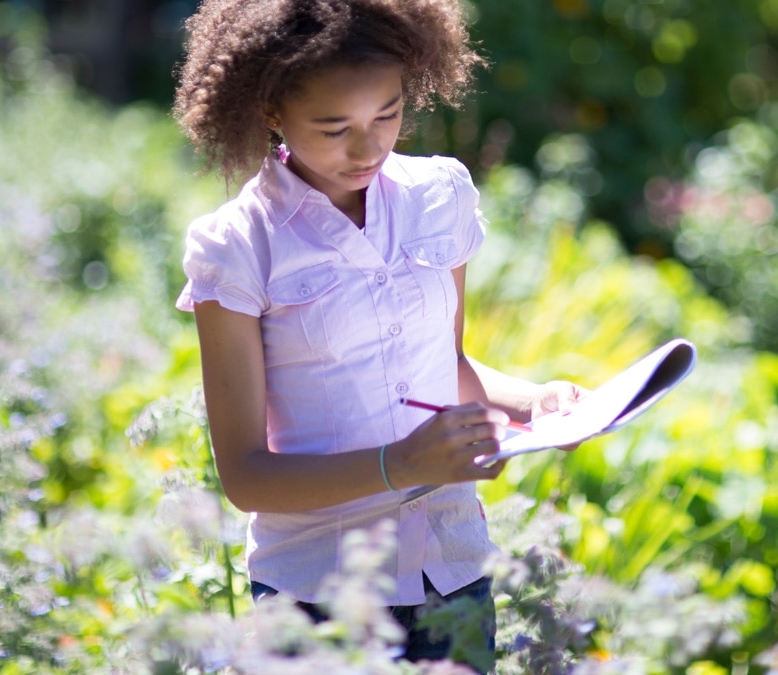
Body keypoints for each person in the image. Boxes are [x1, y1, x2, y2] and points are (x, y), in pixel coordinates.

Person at [171, 0, 583, 667]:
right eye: (334, 127)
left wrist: (528, 402)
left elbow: (442, 362)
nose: (367, 148)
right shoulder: (238, 246)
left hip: (452, 567)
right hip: (318, 592)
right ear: (272, 110)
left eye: (387, 115)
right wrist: (402, 464)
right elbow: (246, 475)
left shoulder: (439, 195)